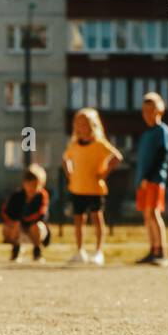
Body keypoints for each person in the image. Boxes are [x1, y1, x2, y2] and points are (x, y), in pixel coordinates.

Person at [62, 108, 122, 266]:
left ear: (93, 125)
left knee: (97, 218)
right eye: (78, 124)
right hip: (77, 188)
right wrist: (69, 172)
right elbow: (65, 158)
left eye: (85, 124)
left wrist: (104, 173)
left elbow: (116, 157)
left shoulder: (99, 144)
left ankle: (98, 252)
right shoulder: (74, 144)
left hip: (95, 188)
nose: (81, 127)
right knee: (78, 220)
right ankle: (80, 251)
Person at [133, 92, 168, 266]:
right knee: (146, 215)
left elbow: (162, 155)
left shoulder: (162, 131)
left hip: (154, 180)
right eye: (145, 111)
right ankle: (153, 249)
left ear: (159, 111)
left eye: (152, 110)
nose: (148, 114)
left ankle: (162, 251)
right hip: (142, 181)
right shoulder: (145, 135)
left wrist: (149, 177)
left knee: (153, 213)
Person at [1, 163, 51, 263]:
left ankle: (37, 252)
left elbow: (41, 214)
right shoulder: (17, 195)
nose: (33, 188)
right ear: (25, 183)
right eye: (31, 184)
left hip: (34, 229)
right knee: (7, 228)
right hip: (18, 229)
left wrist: (22, 222)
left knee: (36, 226)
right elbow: (5, 212)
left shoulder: (42, 195)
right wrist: (13, 223)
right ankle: (16, 249)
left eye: (37, 185)